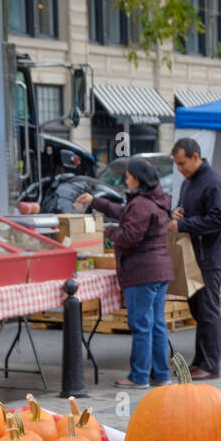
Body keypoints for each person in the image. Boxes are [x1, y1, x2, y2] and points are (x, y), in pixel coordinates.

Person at [76, 158, 173, 389]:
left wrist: (106, 230)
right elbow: (125, 212)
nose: (126, 180)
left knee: (141, 325)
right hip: (159, 271)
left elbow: (129, 237)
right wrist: (96, 202)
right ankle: (161, 374)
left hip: (142, 272)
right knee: (157, 324)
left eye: (128, 176)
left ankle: (139, 377)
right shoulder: (155, 199)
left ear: (137, 179)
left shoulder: (141, 203)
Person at [168, 137, 221, 380]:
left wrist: (184, 223)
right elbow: (186, 210)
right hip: (193, 255)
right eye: (177, 165)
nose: (180, 169)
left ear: (195, 157)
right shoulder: (189, 183)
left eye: (183, 163)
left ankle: (211, 366)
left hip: (210, 257)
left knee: (208, 310)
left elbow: (219, 219)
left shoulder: (214, 183)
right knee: (197, 309)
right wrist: (176, 213)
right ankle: (200, 360)